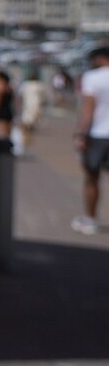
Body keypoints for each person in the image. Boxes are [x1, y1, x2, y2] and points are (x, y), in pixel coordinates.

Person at [78, 46, 109, 235]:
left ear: (99, 58)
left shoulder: (92, 77)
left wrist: (81, 134)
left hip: (98, 135)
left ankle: (90, 219)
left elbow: (89, 108)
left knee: (92, 179)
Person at [16, 68, 48, 157]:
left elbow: (20, 96)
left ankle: (27, 133)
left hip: (31, 104)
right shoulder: (37, 85)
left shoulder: (28, 85)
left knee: (29, 119)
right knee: (31, 119)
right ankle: (28, 133)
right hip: (33, 104)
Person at [0, 69, 15, 144]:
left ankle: (4, 148)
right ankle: (8, 147)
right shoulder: (9, 87)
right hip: (9, 110)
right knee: (8, 133)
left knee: (2, 133)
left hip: (1, 111)